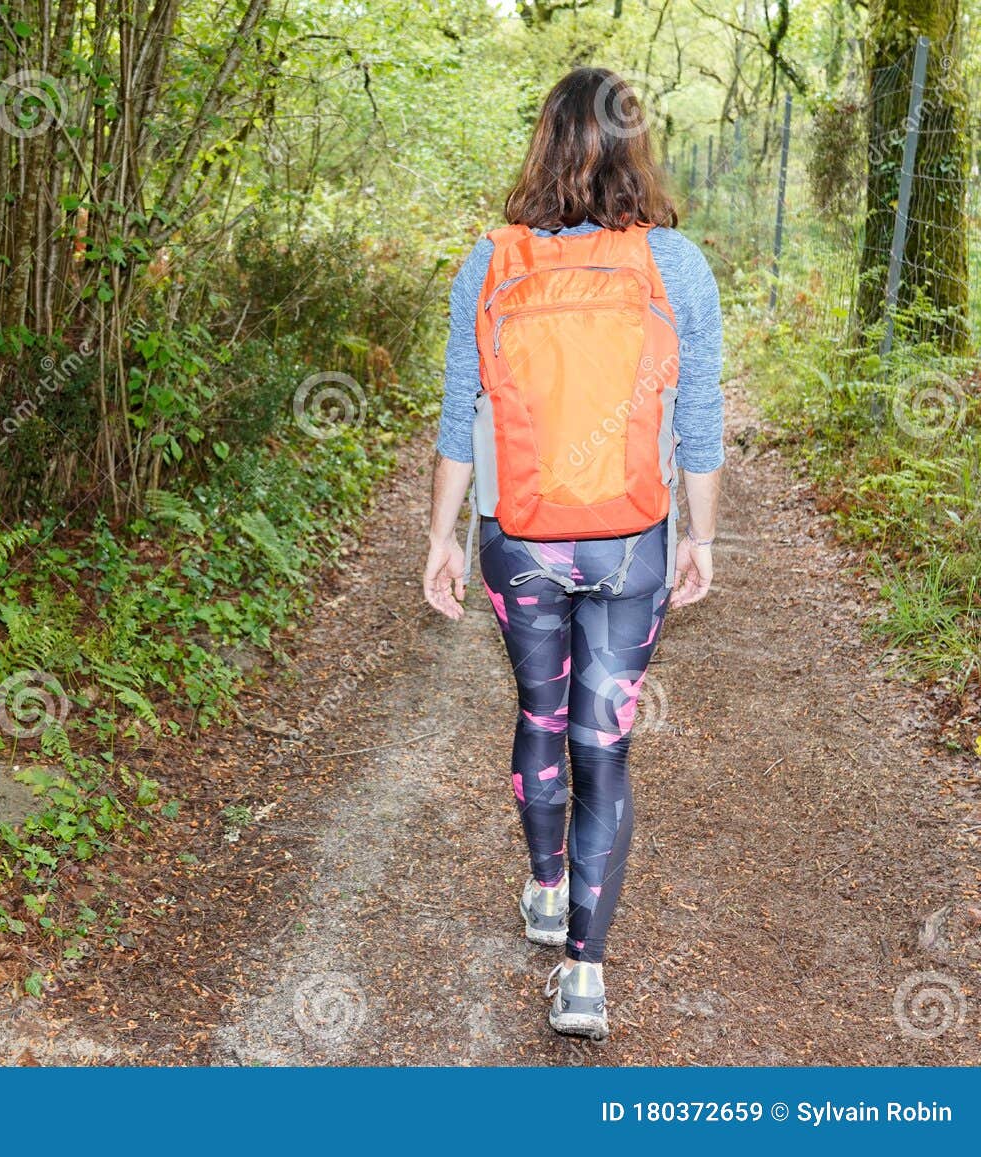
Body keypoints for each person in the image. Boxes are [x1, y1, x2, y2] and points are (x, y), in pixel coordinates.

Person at [421, 66, 725, 1041]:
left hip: (522, 542)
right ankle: (584, 977)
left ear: (543, 144)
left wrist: (440, 536)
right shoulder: (673, 264)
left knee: (538, 714)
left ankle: (547, 887)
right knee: (605, 747)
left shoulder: (492, 260)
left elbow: (460, 412)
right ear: (636, 146)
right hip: (631, 542)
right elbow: (700, 422)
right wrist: (700, 536)